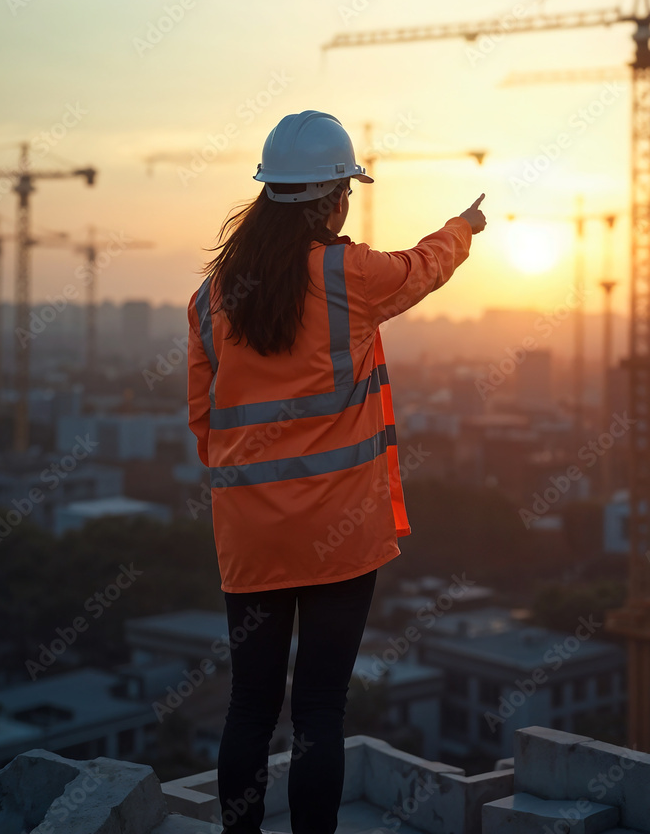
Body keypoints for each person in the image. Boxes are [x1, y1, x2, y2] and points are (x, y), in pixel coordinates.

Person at [186, 110, 486, 834]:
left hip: (250, 540)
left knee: (250, 706)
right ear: (332, 199)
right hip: (339, 536)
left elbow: (205, 425)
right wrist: (463, 228)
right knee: (319, 708)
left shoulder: (208, 300)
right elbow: (423, 269)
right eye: (347, 191)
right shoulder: (349, 275)